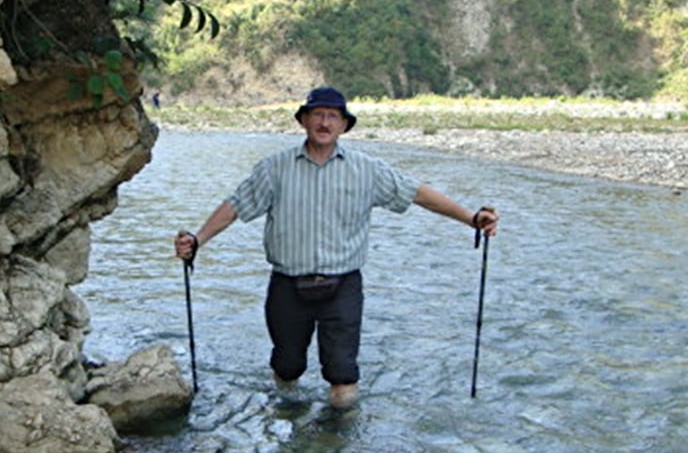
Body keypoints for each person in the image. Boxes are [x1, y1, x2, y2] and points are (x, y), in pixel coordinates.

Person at [174, 87, 499, 410]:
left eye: (333, 116)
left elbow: (418, 194)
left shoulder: (367, 170)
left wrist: (471, 218)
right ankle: (290, 425)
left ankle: (337, 444)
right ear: (304, 120)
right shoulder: (274, 169)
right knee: (287, 367)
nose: (325, 123)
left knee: (342, 374)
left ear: (344, 125)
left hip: (343, 285)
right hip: (288, 284)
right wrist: (199, 239)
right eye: (318, 115)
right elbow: (236, 205)